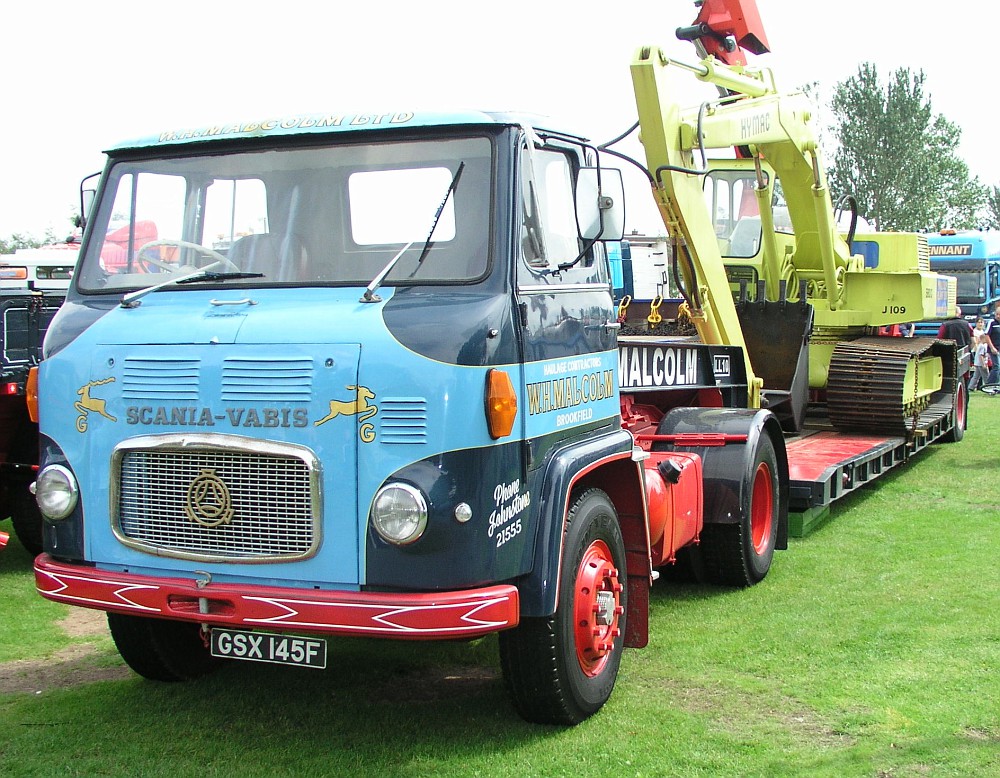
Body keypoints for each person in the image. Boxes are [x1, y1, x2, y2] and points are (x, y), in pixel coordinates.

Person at [986, 302, 1000, 385]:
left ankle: (997, 385)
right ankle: (990, 384)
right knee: (996, 366)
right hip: (994, 348)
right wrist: (992, 347)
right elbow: (987, 335)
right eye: (997, 314)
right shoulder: (992, 322)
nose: (998, 316)